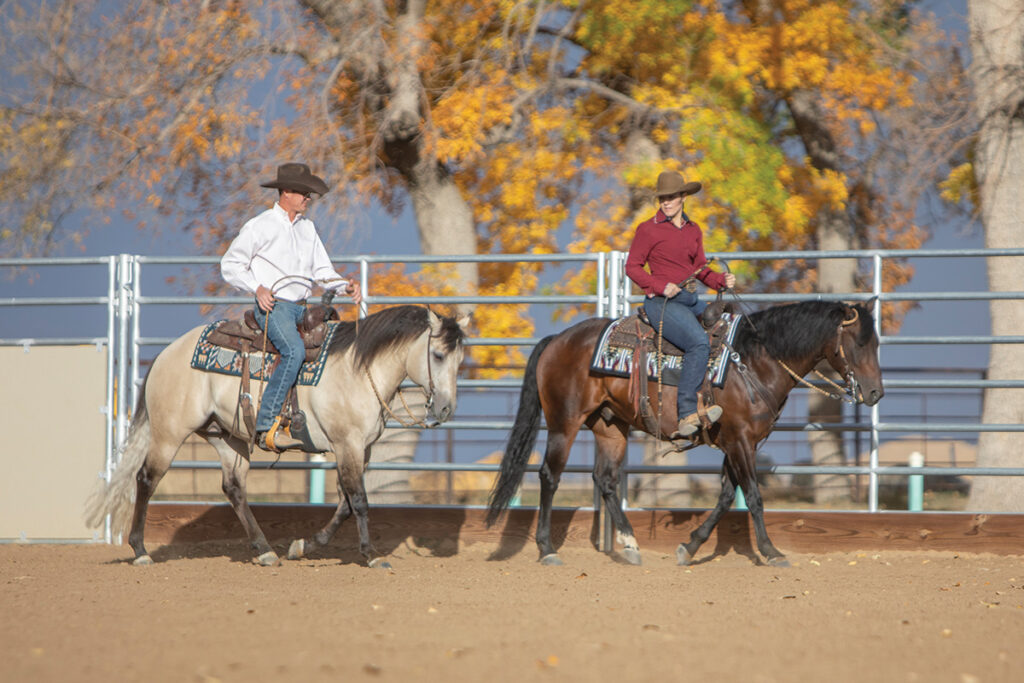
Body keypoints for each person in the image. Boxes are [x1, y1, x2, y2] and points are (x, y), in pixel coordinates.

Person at [221, 162, 362, 450]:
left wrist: (343, 286)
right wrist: (257, 288)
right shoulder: (260, 226)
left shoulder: (308, 228)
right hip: (275, 308)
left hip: (303, 307)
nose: (308, 198)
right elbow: (231, 264)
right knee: (294, 350)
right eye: (303, 192)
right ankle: (266, 425)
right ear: (286, 192)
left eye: (309, 193)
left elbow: (322, 270)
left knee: (336, 348)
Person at [625, 170, 736, 438]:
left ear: (683, 197)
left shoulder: (693, 230)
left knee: (728, 328)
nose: (666, 202)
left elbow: (700, 270)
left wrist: (721, 280)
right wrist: (660, 285)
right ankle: (686, 411)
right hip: (662, 303)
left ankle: (719, 398)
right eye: (662, 198)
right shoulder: (648, 229)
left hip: (690, 300)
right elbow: (632, 267)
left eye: (672, 197)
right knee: (698, 342)